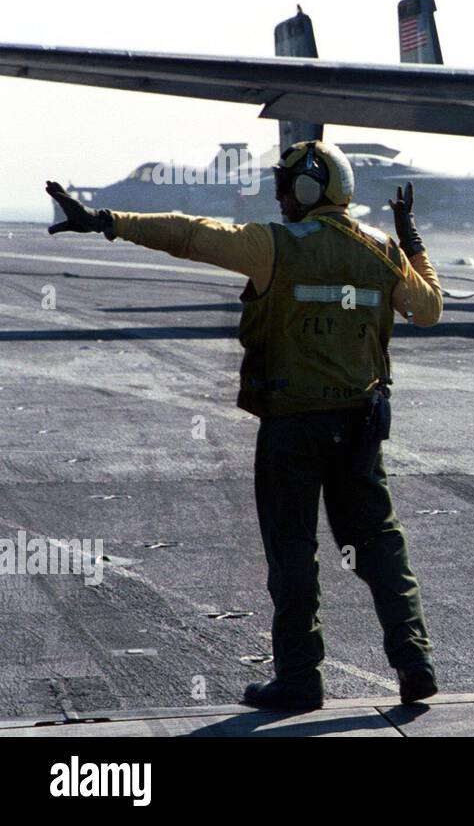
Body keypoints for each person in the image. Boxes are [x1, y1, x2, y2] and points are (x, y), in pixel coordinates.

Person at [45, 140, 442, 710]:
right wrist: (411, 239)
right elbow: (428, 308)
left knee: (292, 549)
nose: (279, 195)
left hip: (291, 426)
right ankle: (413, 659)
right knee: (378, 541)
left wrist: (105, 220)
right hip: (359, 425)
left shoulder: (273, 246)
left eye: (285, 184)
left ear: (309, 188)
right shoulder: (381, 252)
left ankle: (301, 679)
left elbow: (188, 233)